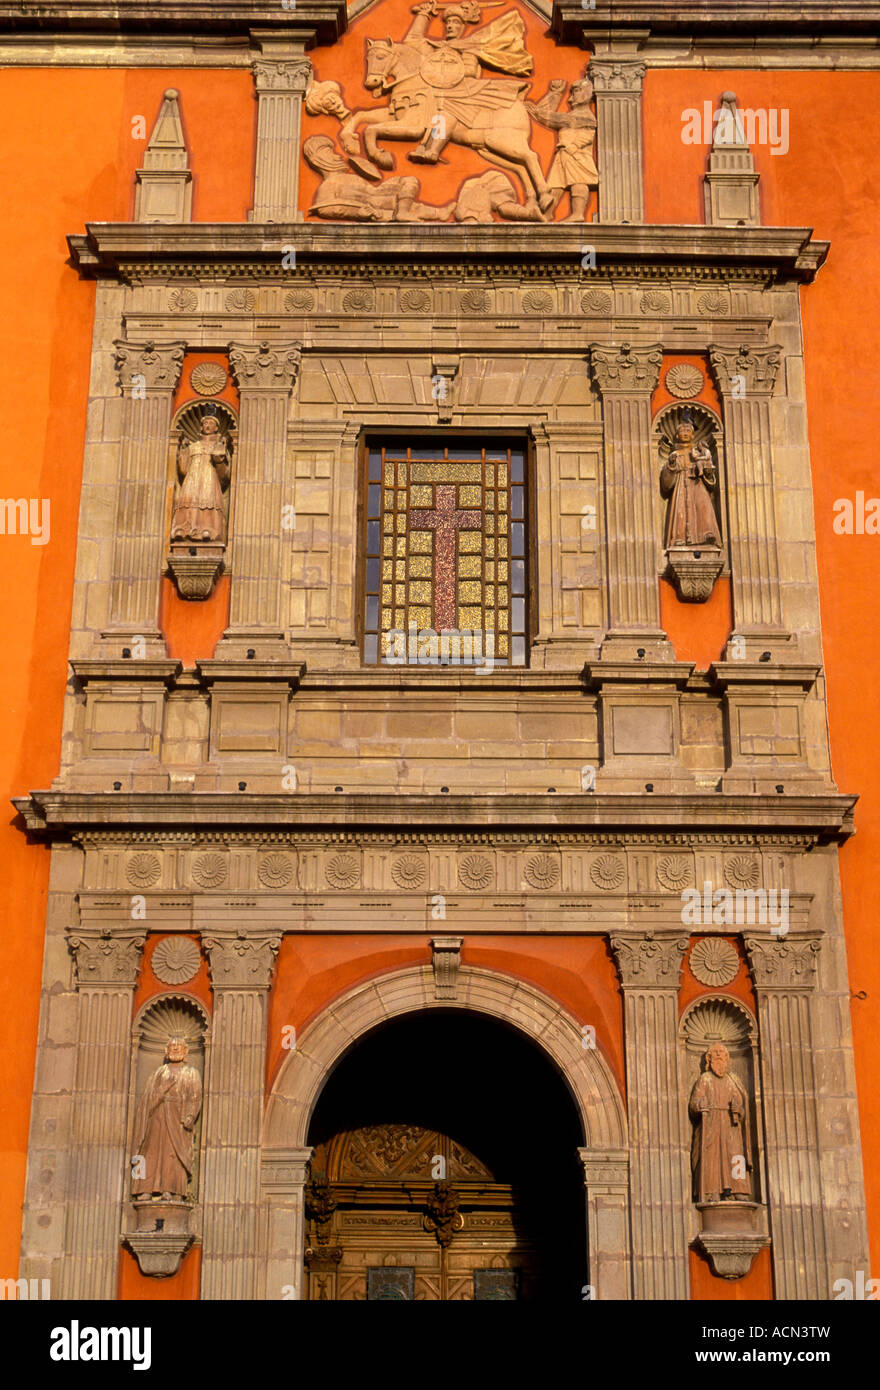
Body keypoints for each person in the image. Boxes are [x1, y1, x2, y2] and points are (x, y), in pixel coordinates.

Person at [132, 1037, 202, 1199]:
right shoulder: (159, 1073)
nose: (175, 1049)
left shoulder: (191, 1073)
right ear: (166, 1050)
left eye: (179, 1046)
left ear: (185, 1051)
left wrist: (191, 1115)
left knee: (172, 1154)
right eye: (172, 1046)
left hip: (178, 1118)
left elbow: (195, 1097)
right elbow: (147, 1099)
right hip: (157, 1116)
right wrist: (162, 1089)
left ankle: (172, 1189)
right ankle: (144, 1188)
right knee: (150, 1151)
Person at [526, 74, 598, 221]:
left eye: (577, 91)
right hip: (564, 153)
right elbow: (546, 115)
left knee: (578, 182)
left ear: (586, 93)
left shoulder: (584, 115)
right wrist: (554, 94)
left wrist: (555, 94)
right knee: (555, 185)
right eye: (574, 91)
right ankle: (547, 213)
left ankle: (577, 214)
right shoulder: (574, 115)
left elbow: (549, 117)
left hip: (575, 153)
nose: (573, 95)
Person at [688, 1042, 752, 1203]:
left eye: (721, 1053)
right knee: (711, 1157)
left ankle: (739, 1188)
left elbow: (743, 1110)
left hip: (731, 1126)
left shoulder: (733, 1081)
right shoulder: (705, 1079)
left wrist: (740, 1111)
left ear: (727, 1059)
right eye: (715, 1053)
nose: (718, 1056)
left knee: (736, 1154)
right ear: (709, 1059)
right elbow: (693, 1103)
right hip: (712, 1124)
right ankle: (711, 1190)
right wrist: (699, 1105)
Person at [659, 414, 722, 549]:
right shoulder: (674, 454)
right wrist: (671, 466)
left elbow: (710, 479)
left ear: (693, 435)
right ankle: (679, 537)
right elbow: (666, 484)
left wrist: (708, 473)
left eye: (688, 431)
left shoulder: (699, 452)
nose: (685, 433)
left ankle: (706, 535)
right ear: (676, 435)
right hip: (681, 487)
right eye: (682, 431)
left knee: (702, 509)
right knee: (681, 512)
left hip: (697, 486)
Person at [170, 413, 230, 543]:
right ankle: (183, 529)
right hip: (192, 480)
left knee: (208, 502)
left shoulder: (219, 445)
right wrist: (184, 451)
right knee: (188, 501)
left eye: (211, 423)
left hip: (209, 480)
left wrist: (220, 457)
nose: (208, 425)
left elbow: (224, 475)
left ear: (216, 427)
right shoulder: (193, 446)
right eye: (205, 423)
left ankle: (209, 530)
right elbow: (183, 470)